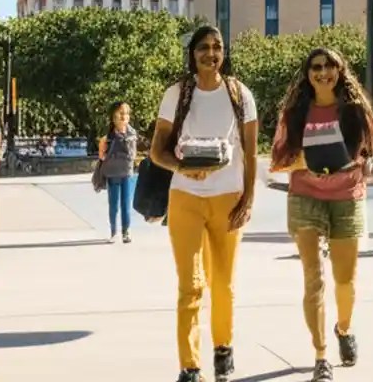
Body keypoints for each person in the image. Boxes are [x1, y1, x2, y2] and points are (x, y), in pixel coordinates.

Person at [149, 25, 258, 382]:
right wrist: (182, 166)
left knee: (223, 283)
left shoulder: (240, 94)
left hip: (228, 198)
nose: (211, 54)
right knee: (191, 284)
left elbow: (251, 153)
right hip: (186, 197)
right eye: (203, 48)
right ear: (192, 53)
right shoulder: (176, 94)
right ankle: (190, 366)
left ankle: (223, 346)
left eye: (217, 47)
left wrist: (248, 197)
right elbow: (156, 151)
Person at [270, 47, 373, 382]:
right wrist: (303, 161)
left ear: (340, 70)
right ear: (308, 74)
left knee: (345, 280)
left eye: (329, 66)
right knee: (313, 277)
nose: (323, 72)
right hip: (305, 196)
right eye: (316, 67)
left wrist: (364, 165)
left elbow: (372, 154)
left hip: (347, 196)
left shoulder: (355, 111)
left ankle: (343, 328)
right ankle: (321, 357)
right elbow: (278, 160)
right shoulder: (295, 113)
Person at [98, 101, 140, 243]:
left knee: (126, 204)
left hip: (127, 173)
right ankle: (114, 231)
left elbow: (132, 154)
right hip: (112, 173)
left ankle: (126, 232)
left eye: (126, 113)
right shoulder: (108, 136)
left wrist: (126, 140)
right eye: (121, 113)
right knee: (114, 204)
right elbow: (102, 155)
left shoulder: (132, 134)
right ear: (114, 117)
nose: (124, 116)